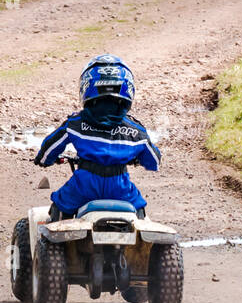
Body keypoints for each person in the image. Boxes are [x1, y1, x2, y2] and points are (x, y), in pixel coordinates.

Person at [33, 55, 161, 220]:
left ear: (87, 87)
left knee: (60, 206)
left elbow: (49, 147)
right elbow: (154, 161)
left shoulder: (76, 123)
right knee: (139, 210)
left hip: (84, 185)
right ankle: (142, 243)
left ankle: (54, 246)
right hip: (120, 187)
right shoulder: (137, 131)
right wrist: (139, 160)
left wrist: (44, 160)